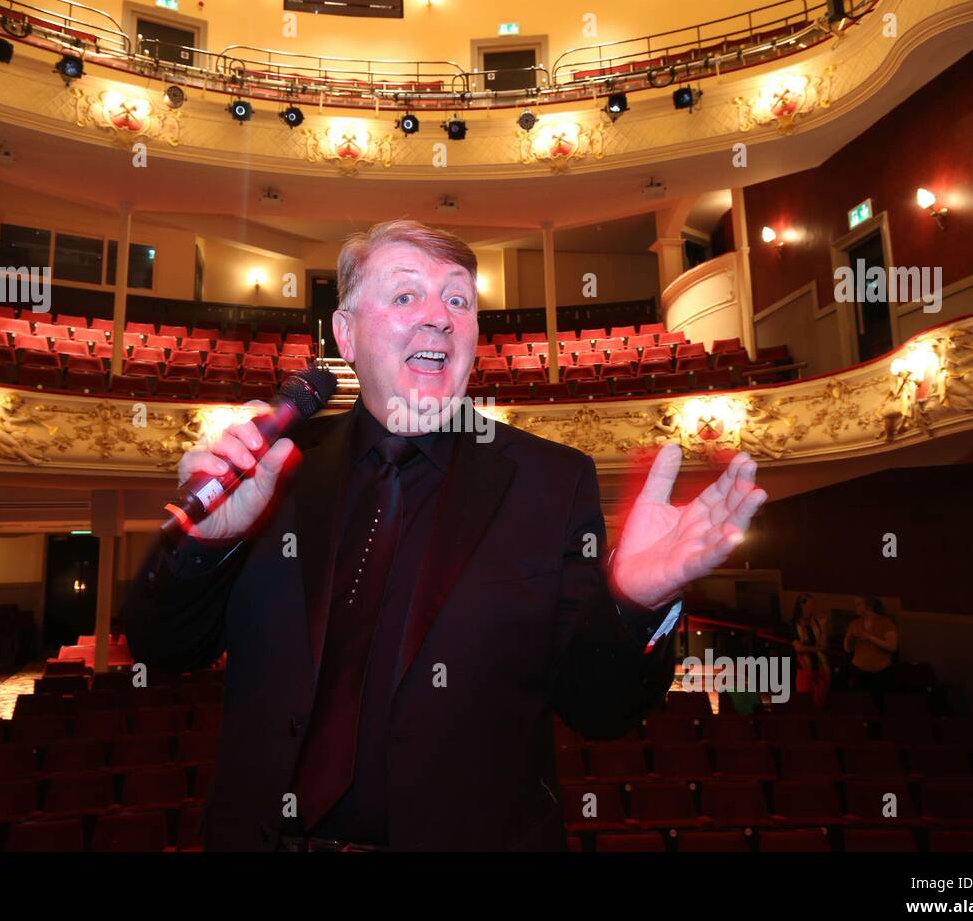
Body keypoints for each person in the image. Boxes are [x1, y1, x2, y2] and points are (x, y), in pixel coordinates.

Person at [122, 220, 767, 851]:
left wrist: (633, 602)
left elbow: (598, 710)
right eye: (405, 295)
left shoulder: (552, 483)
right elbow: (161, 649)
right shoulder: (268, 470)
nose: (439, 316)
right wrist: (207, 545)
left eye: (458, 298)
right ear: (345, 334)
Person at [843, 595, 897, 700]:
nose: (856, 607)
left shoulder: (885, 622)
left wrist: (869, 637)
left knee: (879, 703)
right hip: (859, 670)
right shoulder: (855, 623)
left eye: (859, 604)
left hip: (880, 672)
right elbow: (847, 649)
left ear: (868, 606)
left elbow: (892, 646)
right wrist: (847, 638)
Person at [790, 593, 831, 709]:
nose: (813, 607)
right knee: (805, 702)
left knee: (821, 703)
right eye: (810, 604)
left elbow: (824, 645)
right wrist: (817, 649)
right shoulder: (794, 625)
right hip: (805, 669)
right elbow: (799, 648)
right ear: (802, 606)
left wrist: (823, 627)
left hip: (822, 668)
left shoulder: (817, 623)